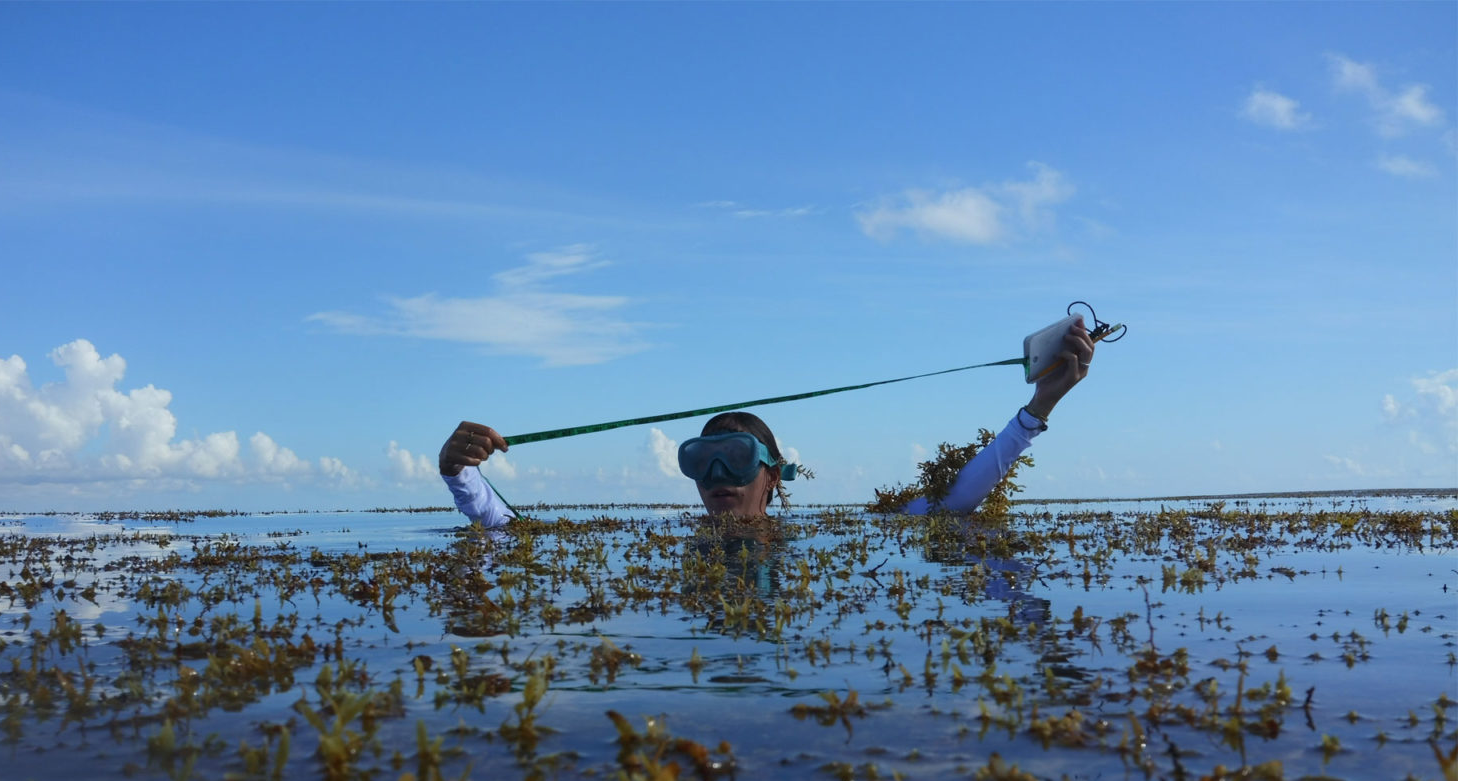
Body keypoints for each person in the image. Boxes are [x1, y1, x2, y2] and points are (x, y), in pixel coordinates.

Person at [438, 318, 1095, 527]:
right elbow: (512, 533)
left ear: (774, 478)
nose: (719, 477)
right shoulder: (657, 541)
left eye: (738, 459)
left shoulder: (823, 536)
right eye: (704, 461)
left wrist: (1040, 406)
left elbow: (952, 505)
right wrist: (460, 474)